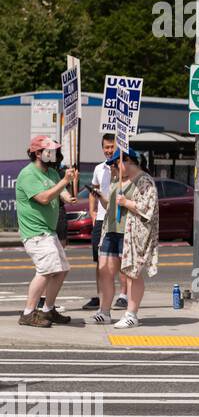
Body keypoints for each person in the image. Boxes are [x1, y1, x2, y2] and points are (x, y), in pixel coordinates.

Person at [93, 148, 159, 329]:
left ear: (127, 160)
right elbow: (112, 205)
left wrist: (127, 203)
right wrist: (101, 198)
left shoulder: (144, 180)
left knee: (131, 273)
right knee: (104, 271)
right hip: (112, 229)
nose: (113, 168)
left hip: (131, 233)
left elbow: (149, 208)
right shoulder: (117, 179)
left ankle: (131, 313)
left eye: (115, 164)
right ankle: (104, 311)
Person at [16, 135, 77, 328]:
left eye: (53, 150)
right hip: (35, 233)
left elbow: (63, 194)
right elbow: (43, 198)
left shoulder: (51, 173)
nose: (53, 154)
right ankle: (28, 313)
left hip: (48, 233)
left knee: (61, 271)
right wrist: (63, 182)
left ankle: (48, 310)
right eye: (48, 151)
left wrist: (69, 192)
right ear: (37, 153)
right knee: (46, 271)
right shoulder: (28, 174)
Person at [82, 133, 126, 311]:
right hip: (102, 219)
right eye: (106, 147)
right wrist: (92, 213)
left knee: (123, 258)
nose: (108, 150)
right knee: (99, 260)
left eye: (112, 147)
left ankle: (123, 295)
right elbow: (95, 190)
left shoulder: (122, 167)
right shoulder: (99, 168)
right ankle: (101, 295)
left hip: (119, 217)